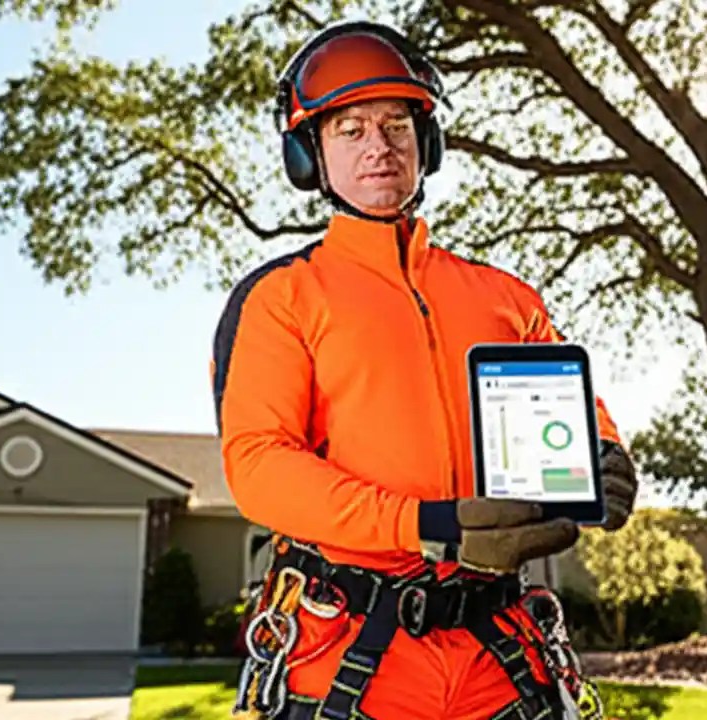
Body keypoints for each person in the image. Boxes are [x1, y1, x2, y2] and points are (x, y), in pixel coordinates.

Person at [211, 20, 638, 720]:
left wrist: (604, 454)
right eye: (349, 129)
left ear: (426, 144)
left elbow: (572, 410)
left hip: (504, 661)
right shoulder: (282, 298)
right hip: (347, 666)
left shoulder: (506, 297)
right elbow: (259, 466)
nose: (378, 147)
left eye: (397, 125)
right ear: (308, 153)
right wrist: (427, 523)